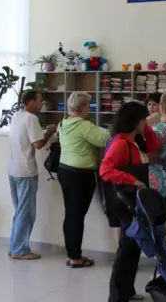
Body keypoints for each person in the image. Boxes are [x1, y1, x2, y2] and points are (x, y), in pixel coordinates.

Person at [100, 101, 160, 302]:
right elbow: (106, 170)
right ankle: (117, 296)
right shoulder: (120, 143)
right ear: (135, 121)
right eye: (143, 119)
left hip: (136, 201)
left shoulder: (136, 140)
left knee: (133, 247)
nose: (146, 122)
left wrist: (146, 128)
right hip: (126, 202)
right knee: (126, 249)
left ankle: (127, 291)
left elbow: (154, 146)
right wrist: (132, 180)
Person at [58, 91, 111, 267]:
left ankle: (70, 253)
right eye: (88, 105)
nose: (90, 108)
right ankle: (75, 257)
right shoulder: (84, 125)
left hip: (65, 171)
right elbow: (106, 139)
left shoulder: (63, 123)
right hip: (80, 175)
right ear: (81, 107)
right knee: (77, 216)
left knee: (70, 214)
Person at [7, 90, 56, 260]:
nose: (41, 103)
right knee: (25, 213)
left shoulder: (16, 116)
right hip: (26, 172)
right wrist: (50, 131)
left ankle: (14, 246)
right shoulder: (31, 118)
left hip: (13, 170)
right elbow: (37, 144)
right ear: (29, 103)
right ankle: (20, 250)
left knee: (20, 211)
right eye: (39, 100)